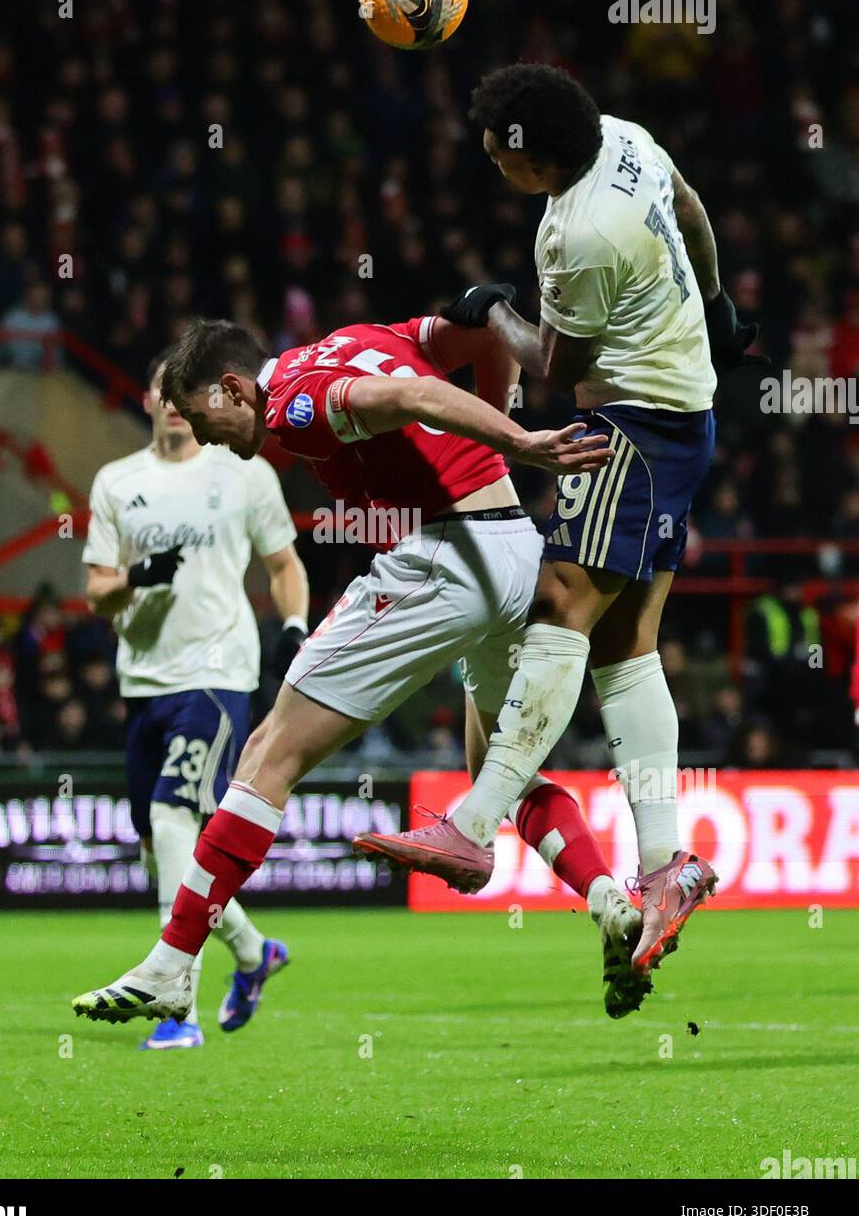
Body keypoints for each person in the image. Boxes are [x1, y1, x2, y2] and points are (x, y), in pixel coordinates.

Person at [73, 307, 656, 1029]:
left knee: (269, 754)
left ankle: (172, 961)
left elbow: (412, 397)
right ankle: (608, 901)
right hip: (513, 549)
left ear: (232, 388)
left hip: (448, 555)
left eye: (198, 417)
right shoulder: (360, 338)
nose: (201, 437)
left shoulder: (291, 403)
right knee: (496, 771)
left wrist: (521, 440)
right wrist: (505, 409)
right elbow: (480, 335)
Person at [357, 63, 763, 976]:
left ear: (527, 157)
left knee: (558, 608)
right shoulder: (625, 136)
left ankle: (474, 823)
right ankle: (665, 865)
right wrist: (717, 301)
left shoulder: (578, 236)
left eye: (497, 156)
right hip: (684, 414)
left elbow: (549, 362)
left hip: (630, 426)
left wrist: (489, 308)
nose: (493, 169)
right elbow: (692, 208)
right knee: (628, 647)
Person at [81, 349, 309, 1049]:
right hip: (143, 677)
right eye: (163, 390)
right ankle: (251, 951)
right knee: (160, 851)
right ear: (150, 400)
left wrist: (294, 628)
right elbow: (96, 591)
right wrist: (136, 578)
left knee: (174, 812)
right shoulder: (117, 482)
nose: (174, 402)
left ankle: (177, 1008)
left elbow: (283, 564)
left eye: (187, 392)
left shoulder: (243, 471)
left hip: (217, 673)